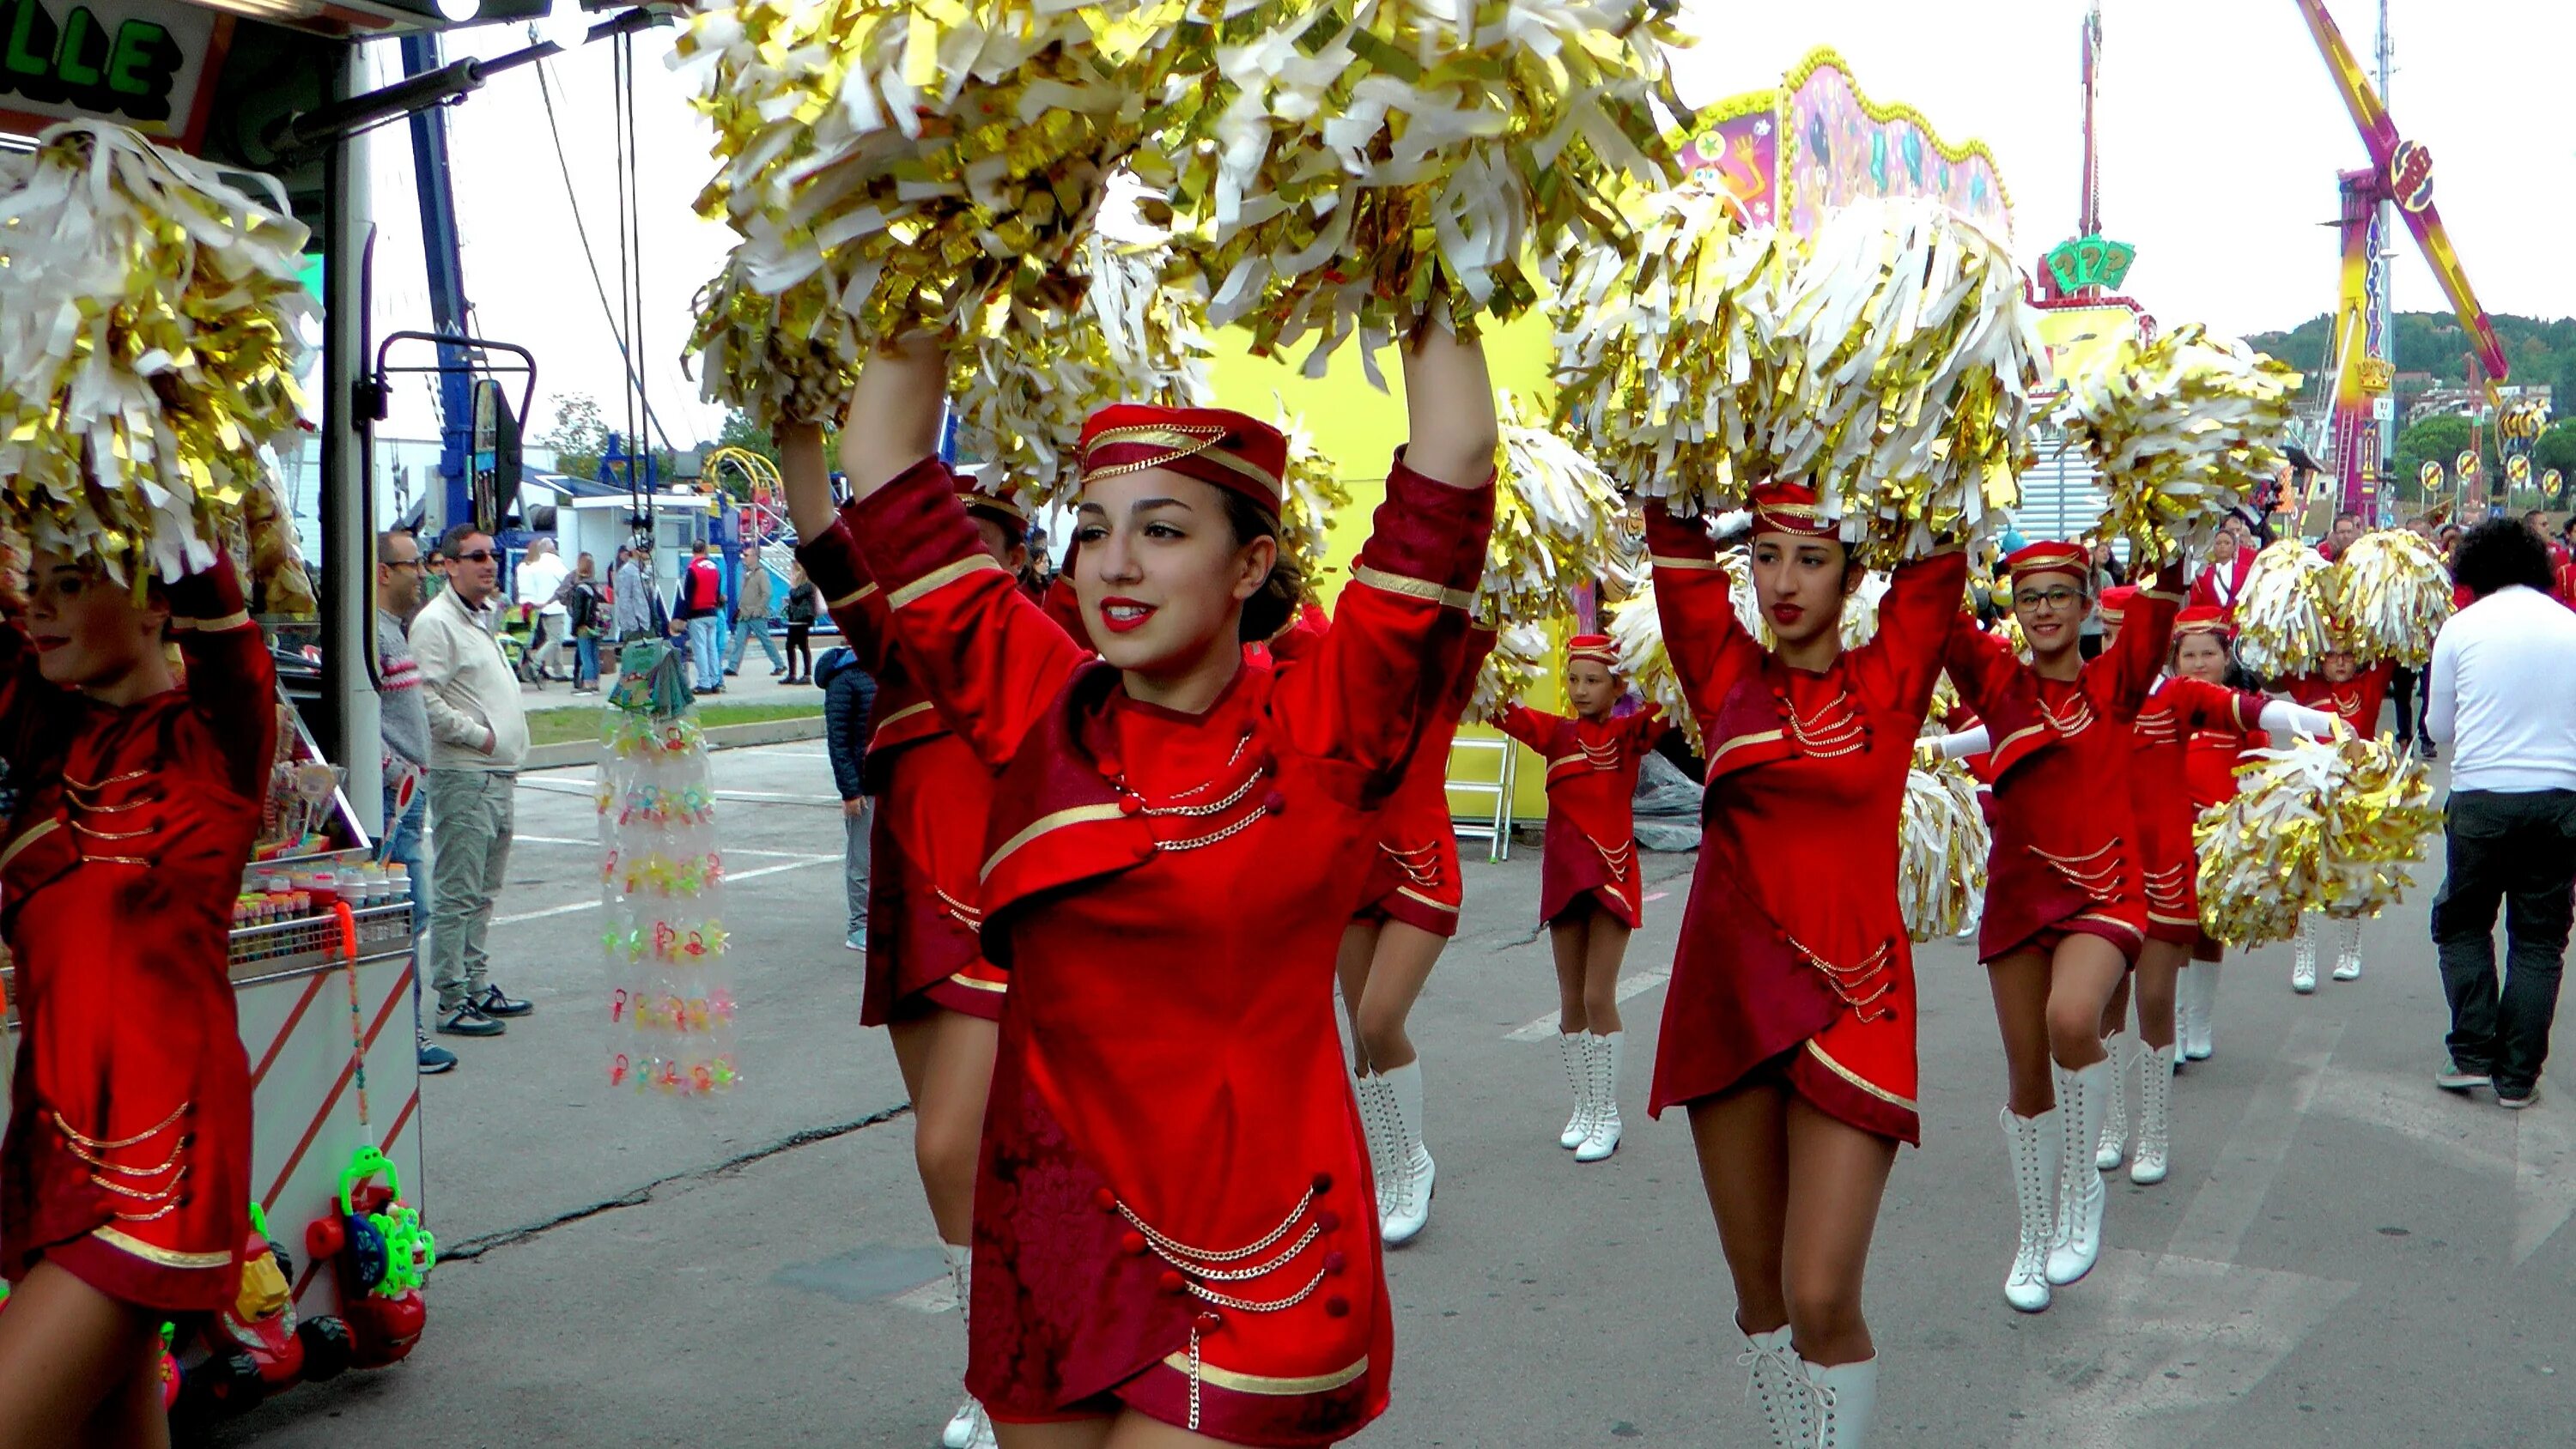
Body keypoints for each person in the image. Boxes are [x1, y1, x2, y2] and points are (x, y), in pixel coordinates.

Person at [822, 321, 1494, 1449]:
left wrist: (1418, 237)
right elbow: (884, 460)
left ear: (1250, 566)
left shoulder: (1326, 723)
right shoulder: (1038, 698)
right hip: (1053, 1247)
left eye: (1163, 530)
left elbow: (1457, 454)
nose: (1115, 563)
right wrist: (933, 218)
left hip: (1265, 1265)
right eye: (1092, 532)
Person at [1643, 484, 1980, 1449]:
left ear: (1855, 573)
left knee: (1821, 1291)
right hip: (1731, 995)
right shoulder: (1721, 672)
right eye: (1766, 557)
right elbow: (1671, 518)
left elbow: (1944, 511)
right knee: (1763, 1304)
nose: (1783, 582)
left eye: (1812, 558)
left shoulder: (1892, 678)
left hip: (1854, 1000)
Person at [787, 425, 1031, 1449]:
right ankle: (1005, 1364)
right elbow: (823, 533)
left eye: (978, 538)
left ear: (1013, 558)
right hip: (911, 918)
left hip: (999, 924)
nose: (953, 553)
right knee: (961, 1164)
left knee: (951, 1146)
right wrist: (796, 420)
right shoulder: (893, 639)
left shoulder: (1041, 641)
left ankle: (1007, 1369)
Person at [0, 548, 275, 1449]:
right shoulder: (47, 730)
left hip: (157, 1172)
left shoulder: (218, 738)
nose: (40, 606)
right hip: (48, 1164)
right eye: (35, 584)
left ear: (159, 602)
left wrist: (133, 438)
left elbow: (215, 596)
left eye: (71, 582)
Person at [1939, 539, 2183, 1316]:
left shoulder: (2117, 684)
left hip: (2106, 895)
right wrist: (1924, 527)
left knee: (2072, 1020)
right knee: (2026, 1082)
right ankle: (2033, 1236)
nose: (2043, 609)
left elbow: (2163, 591)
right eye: (2028, 596)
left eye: (2058, 595)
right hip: (2017, 901)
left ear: (2086, 606)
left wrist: (2169, 520)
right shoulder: (1997, 684)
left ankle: (2081, 1190)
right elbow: (1934, 621)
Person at [2093, 603, 2335, 1182]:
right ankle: (2111, 1125)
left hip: (2164, 866)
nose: (2115, 644)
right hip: (2100, 868)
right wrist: (1935, 753)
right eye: (2107, 633)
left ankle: (2154, 1132)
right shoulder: (2082, 693)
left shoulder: (2175, 695)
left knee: (2154, 997)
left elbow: (2253, 708)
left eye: (2125, 634)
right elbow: (2004, 727)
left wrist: (2329, 727)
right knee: (2101, 1003)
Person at [1338, 621, 1494, 1244]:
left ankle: (1414, 1164)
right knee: (1359, 1041)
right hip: (1354, 872)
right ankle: (1390, 1173)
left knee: (1379, 1022)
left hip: (1422, 867)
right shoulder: (1339, 685)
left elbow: (1473, 613)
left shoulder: (1440, 680)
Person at [1494, 637, 1668, 1168]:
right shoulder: (1554, 733)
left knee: (1598, 995)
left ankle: (1609, 1115)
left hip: (1612, 878)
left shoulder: (1629, 735)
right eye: (1573, 679)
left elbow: (1677, 700)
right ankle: (1585, 1107)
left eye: (1594, 680)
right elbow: (1494, 703)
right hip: (1564, 880)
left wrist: (1657, 647)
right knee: (1570, 1001)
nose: (1580, 690)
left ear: (1618, 687)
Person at [2425, 519, 2576, 1108]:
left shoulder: (2461, 628)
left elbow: (2438, 727)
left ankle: (2471, 1051)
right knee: (2539, 940)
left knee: (2462, 922)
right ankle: (2518, 1075)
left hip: (2482, 794)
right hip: (2560, 797)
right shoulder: (2570, 625)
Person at [410, 524, 537, 1040]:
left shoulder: (479, 618)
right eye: (477, 556)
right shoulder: (436, 623)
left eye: (494, 555)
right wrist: (479, 736)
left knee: (484, 890)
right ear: (448, 564)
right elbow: (425, 699)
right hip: (466, 774)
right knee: (458, 891)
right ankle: (452, 998)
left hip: (497, 775)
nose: (490, 564)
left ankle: (477, 982)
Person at [374, 530, 459, 1076]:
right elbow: (362, 718)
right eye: (411, 566)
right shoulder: (374, 637)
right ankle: (404, 1035)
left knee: (415, 912)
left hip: (408, 794)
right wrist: (398, 772)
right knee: (407, 914)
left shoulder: (392, 633)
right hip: (394, 800)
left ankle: (406, 1030)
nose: (422, 575)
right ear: (382, 572)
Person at [2275, 647, 2396, 991]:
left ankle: (2349, 953)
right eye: (2331, 655)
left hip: (2355, 792)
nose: (2340, 662)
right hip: (2309, 792)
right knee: (2305, 875)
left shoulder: (2370, 684)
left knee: (2350, 872)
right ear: (2318, 660)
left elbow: (2389, 646)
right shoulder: (2306, 686)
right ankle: (2304, 960)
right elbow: (2276, 657)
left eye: (2347, 655)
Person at [817, 642, 878, 952]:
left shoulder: (881, 669)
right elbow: (838, 741)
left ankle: (880, 920)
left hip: (886, 781)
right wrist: (850, 791)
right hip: (862, 787)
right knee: (861, 859)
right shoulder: (844, 677)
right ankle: (859, 926)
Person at [724, 539, 790, 678]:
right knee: (739, 641)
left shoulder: (761, 574)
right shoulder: (746, 573)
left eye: (746, 556)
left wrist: (759, 609)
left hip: (756, 615)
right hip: (744, 614)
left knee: (766, 641)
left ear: (754, 557)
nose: (744, 559)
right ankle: (732, 667)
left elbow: (767, 593)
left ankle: (779, 664)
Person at [514, 537, 571, 686]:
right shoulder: (554, 561)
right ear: (551, 548)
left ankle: (559, 670)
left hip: (539, 606)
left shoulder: (535, 563)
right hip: (555, 605)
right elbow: (567, 579)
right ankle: (536, 662)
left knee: (551, 638)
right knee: (555, 639)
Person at [675, 540, 727, 694]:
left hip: (698, 614)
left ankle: (704, 682)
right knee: (712, 649)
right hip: (712, 612)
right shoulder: (714, 568)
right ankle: (716, 681)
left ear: (693, 551)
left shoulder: (692, 569)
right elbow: (717, 592)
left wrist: (684, 617)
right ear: (705, 550)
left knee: (700, 650)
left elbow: (688, 595)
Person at [2187, 512, 2257, 618]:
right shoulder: (2202, 573)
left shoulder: (2246, 572)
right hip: (2208, 627)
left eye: (2227, 543)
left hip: (2235, 628)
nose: (2223, 546)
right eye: (2219, 543)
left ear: (2234, 547)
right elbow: (2194, 606)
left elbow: (2252, 600)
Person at [563, 552, 606, 694]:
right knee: (594, 654)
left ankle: (588, 683)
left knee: (585, 655)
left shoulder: (580, 589)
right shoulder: (594, 587)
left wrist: (574, 629)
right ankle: (595, 681)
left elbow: (578, 612)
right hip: (595, 625)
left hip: (583, 626)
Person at [782, 561, 819, 683]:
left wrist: (792, 587)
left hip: (802, 619)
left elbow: (796, 596)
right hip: (795, 620)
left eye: (794, 571)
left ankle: (807, 675)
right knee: (790, 646)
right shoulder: (800, 585)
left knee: (803, 646)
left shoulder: (808, 584)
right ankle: (792, 674)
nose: (791, 574)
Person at [612, 544, 656, 645]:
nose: (648, 551)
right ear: (635, 551)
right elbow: (624, 600)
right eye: (644, 548)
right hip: (636, 628)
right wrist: (634, 625)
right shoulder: (627, 571)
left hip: (647, 624)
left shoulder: (643, 570)